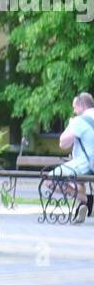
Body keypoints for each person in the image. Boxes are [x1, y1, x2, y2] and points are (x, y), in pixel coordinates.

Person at [45, 93, 94, 224]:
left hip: (86, 165)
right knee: (78, 182)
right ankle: (81, 207)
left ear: (82, 105)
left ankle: (85, 200)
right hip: (87, 167)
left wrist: (70, 125)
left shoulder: (79, 121)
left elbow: (62, 143)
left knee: (50, 180)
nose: (74, 111)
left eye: (75, 107)